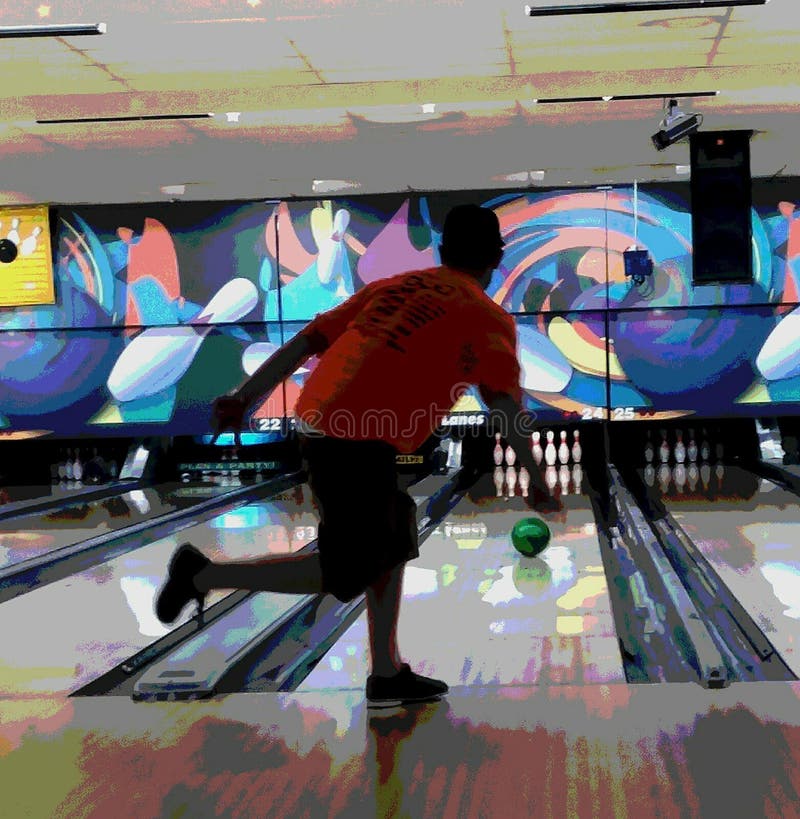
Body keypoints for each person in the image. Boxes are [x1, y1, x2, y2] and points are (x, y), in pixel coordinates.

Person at [155, 204, 561, 707]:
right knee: (344, 572)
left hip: (330, 423)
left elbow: (306, 341)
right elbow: (502, 404)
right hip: (353, 440)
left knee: (394, 539)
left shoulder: (392, 287)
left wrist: (245, 396)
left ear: (442, 250)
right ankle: (203, 574)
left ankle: (387, 672)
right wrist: (538, 478)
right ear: (496, 258)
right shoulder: (486, 316)